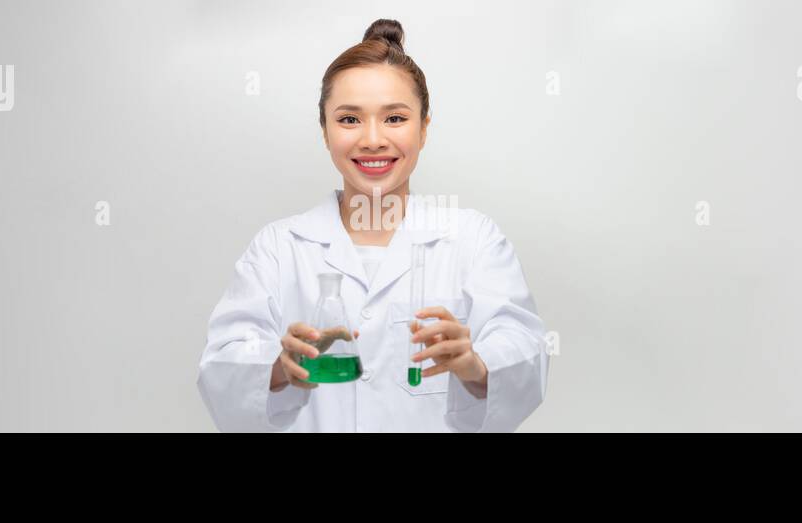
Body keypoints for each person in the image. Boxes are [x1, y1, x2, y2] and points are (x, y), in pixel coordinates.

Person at [198, 19, 547, 432]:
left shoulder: (473, 241)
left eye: (395, 118)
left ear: (424, 128)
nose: (373, 139)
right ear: (325, 132)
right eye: (349, 120)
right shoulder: (278, 248)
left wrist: (476, 365)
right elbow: (220, 367)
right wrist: (278, 368)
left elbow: (526, 353)